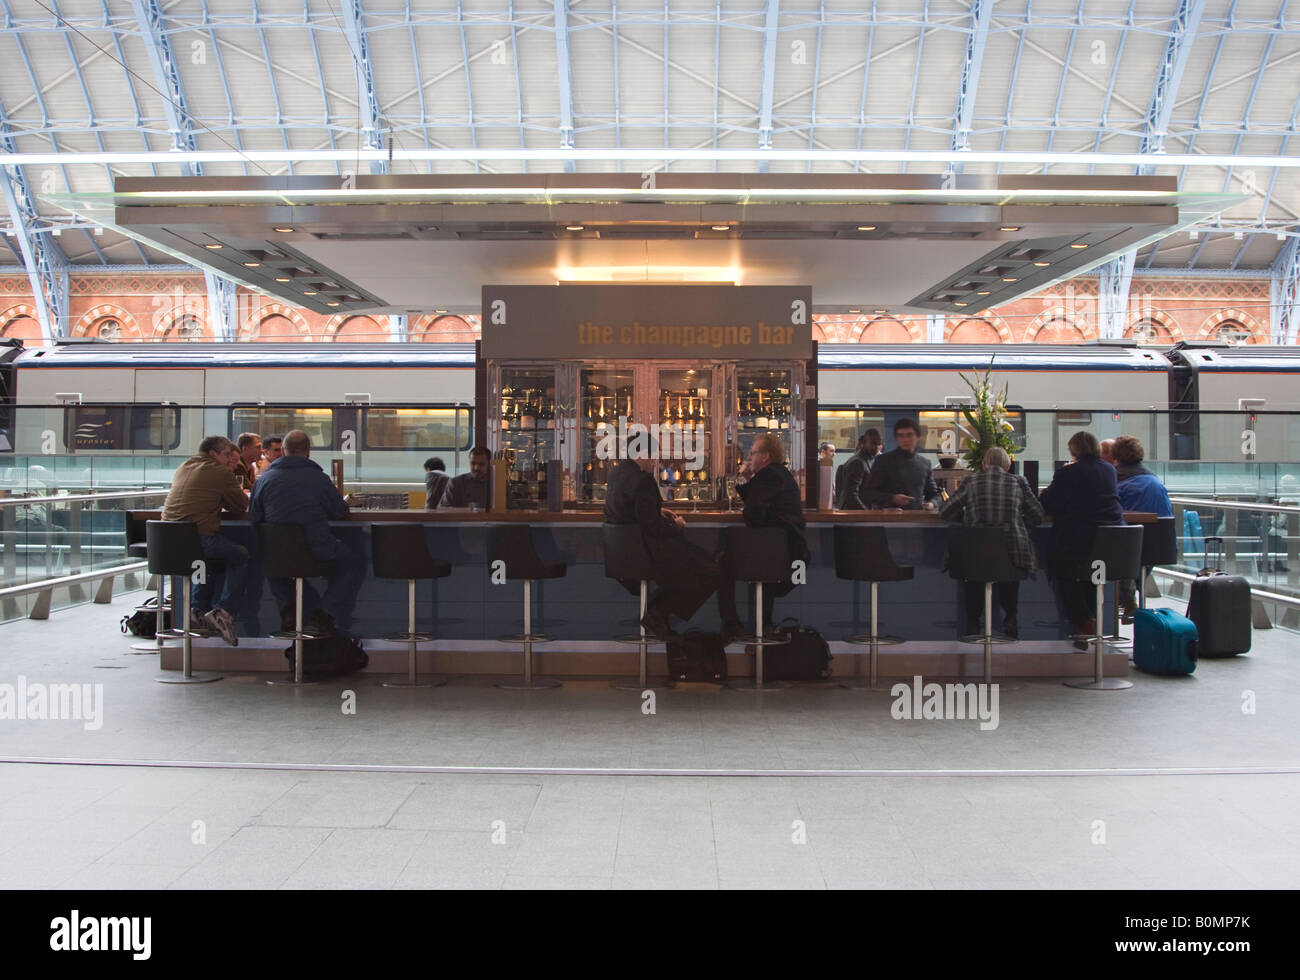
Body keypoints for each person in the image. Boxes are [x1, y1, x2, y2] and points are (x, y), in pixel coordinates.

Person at [249, 429, 364, 635]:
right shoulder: (319, 479)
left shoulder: (263, 481)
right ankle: (325, 612)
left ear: (283, 451)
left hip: (277, 556)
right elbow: (339, 512)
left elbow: (254, 517)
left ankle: (288, 609)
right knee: (355, 561)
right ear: (308, 452)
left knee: (274, 568)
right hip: (317, 551)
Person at [604, 457, 720, 639]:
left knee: (697, 568)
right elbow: (653, 527)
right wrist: (677, 526)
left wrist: (655, 511)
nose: (655, 463)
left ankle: (656, 613)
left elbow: (628, 510)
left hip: (624, 555)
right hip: (649, 556)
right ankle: (657, 613)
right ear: (641, 455)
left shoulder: (616, 475)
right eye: (652, 457)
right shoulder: (643, 480)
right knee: (712, 571)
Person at [939, 447, 1044, 639]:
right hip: (1012, 552)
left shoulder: (971, 481)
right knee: (1011, 570)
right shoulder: (1019, 482)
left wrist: (967, 519)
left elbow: (945, 511)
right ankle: (1010, 619)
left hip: (974, 555)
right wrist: (1019, 524)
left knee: (973, 576)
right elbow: (1037, 515)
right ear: (1008, 465)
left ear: (984, 464)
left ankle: (973, 624)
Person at [718, 432, 809, 640]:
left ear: (765, 456)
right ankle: (763, 626)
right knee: (760, 575)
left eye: (753, 453)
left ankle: (732, 625)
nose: (749, 458)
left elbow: (753, 513)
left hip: (779, 555)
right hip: (791, 554)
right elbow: (757, 497)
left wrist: (747, 509)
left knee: (721, 564)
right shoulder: (778, 474)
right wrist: (747, 477)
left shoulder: (769, 475)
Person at [159, 435, 249, 646]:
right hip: (198, 540)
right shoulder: (220, 472)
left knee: (203, 563)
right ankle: (223, 612)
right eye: (227, 454)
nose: (230, 459)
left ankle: (197, 609)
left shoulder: (184, 466)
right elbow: (240, 505)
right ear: (213, 454)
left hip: (167, 543)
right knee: (241, 556)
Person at [1039, 430, 1124, 645]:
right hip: (1112, 541)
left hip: (1078, 541)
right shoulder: (1110, 470)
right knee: (1090, 579)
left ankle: (1084, 620)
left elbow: (1048, 503)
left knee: (1061, 573)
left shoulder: (1069, 473)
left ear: (1074, 450)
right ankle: (1091, 621)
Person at [1111, 435, 1173, 622]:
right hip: (1160, 545)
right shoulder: (1154, 479)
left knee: (1118, 546)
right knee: (1133, 556)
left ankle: (1125, 598)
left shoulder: (1117, 481)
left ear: (1116, 455)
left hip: (1131, 545)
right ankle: (1130, 594)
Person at [859, 418, 940, 510]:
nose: (905, 439)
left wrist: (932, 504)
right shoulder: (883, 461)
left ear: (918, 437)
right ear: (896, 438)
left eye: (909, 435)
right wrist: (892, 498)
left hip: (917, 519)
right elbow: (867, 494)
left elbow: (935, 495)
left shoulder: (924, 463)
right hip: (889, 519)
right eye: (901, 436)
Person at [835, 428, 883, 510]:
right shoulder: (858, 462)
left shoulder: (870, 459)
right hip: (854, 515)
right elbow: (851, 495)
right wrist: (867, 513)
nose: (876, 447)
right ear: (864, 443)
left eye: (879, 444)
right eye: (873, 443)